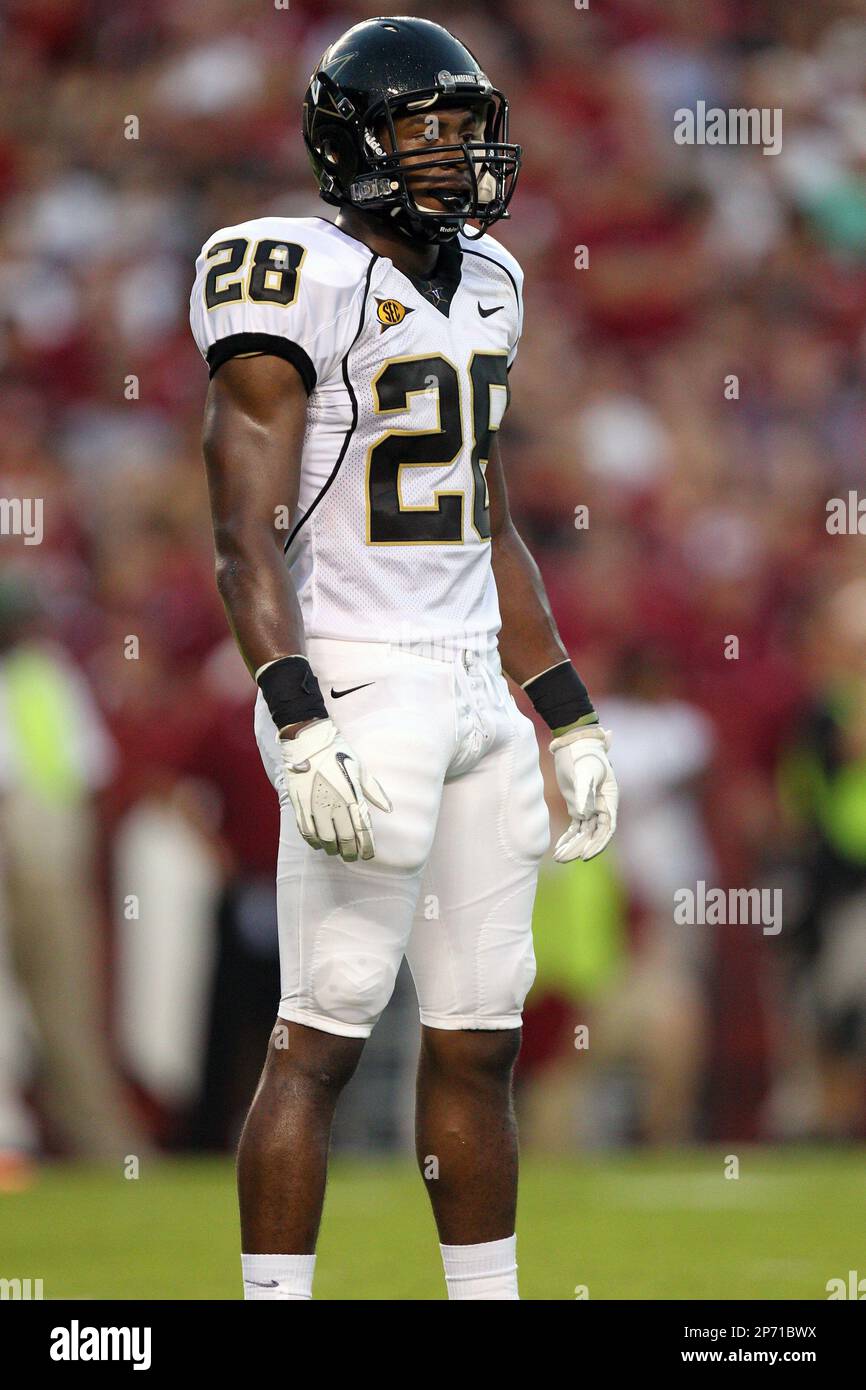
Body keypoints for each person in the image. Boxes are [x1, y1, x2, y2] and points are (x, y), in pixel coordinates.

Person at [190, 15, 618, 1302]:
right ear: (349, 141)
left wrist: (567, 709)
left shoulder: (490, 279)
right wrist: (299, 714)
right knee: (319, 1033)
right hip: (360, 671)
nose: (454, 155)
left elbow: (484, 515)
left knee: (479, 1037)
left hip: (475, 682)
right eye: (422, 129)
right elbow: (240, 531)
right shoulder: (285, 270)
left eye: (464, 127)